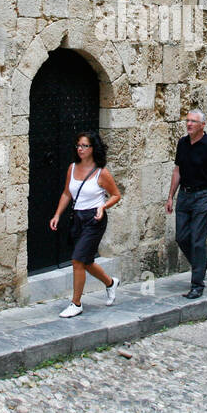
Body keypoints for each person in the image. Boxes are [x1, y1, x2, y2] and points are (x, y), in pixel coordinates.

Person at [49, 131, 121, 318]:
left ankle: (76, 303)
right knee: (86, 261)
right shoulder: (72, 168)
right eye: (78, 145)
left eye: (85, 146)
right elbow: (67, 193)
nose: (80, 149)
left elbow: (116, 195)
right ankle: (111, 283)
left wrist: (103, 207)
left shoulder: (101, 172)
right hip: (77, 218)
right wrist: (57, 214)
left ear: (93, 148)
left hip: (94, 220)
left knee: (77, 260)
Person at [165, 109, 207, 298]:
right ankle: (202, 262)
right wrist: (170, 196)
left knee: (197, 240)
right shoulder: (182, 143)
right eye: (187, 120)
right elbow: (177, 171)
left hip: (203, 196)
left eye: (193, 121)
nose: (189, 124)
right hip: (184, 195)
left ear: (202, 125)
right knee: (181, 237)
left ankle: (197, 284)